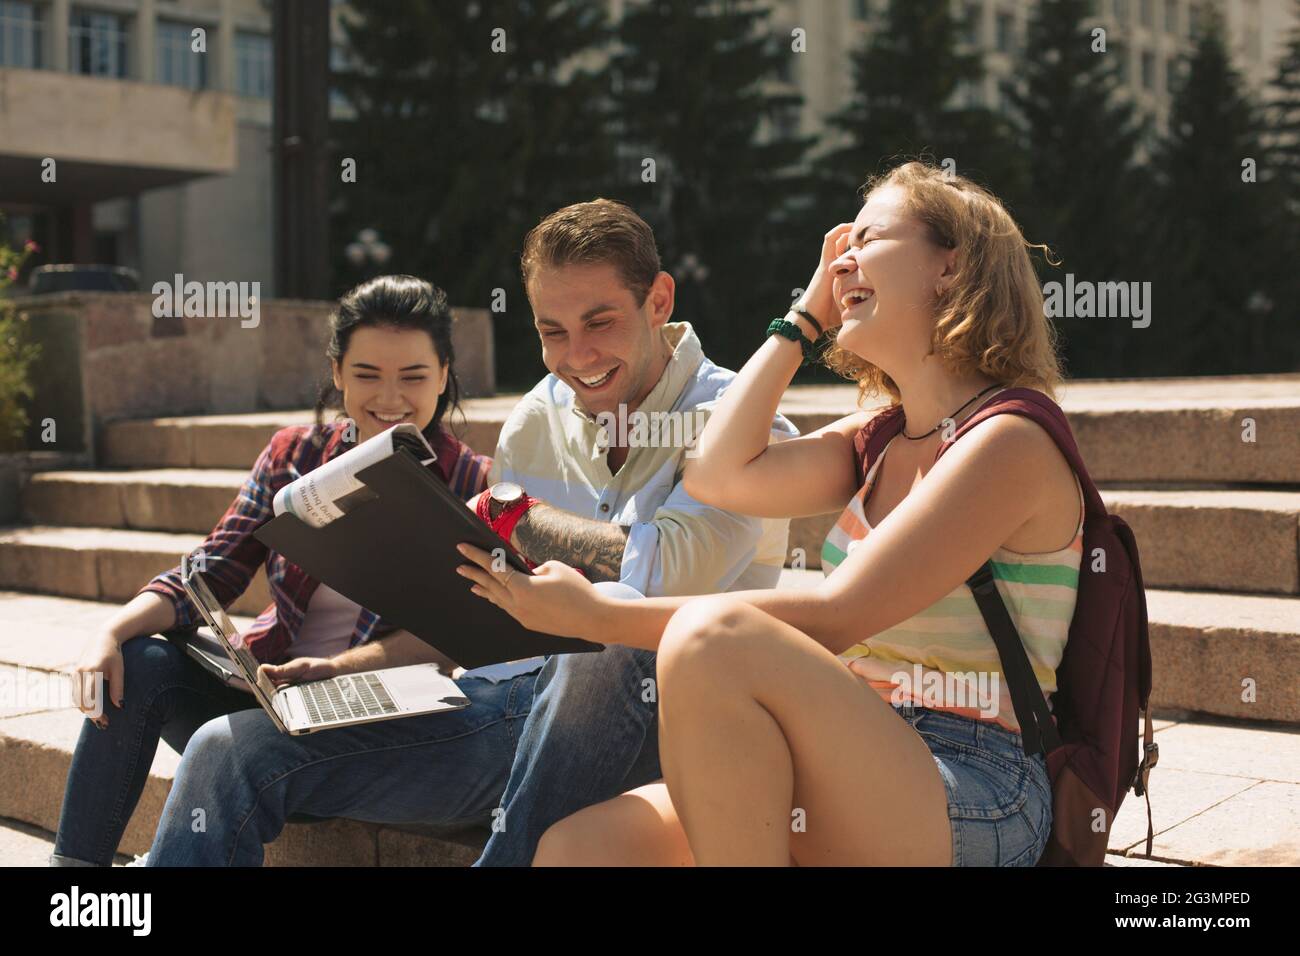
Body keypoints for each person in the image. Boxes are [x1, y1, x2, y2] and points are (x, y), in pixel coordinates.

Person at [456, 162, 1081, 866]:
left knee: (711, 636)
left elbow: (841, 614)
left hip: (978, 783)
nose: (841, 259)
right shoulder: (877, 438)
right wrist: (804, 317)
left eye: (866, 239)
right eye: (836, 249)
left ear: (949, 265)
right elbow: (719, 473)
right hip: (857, 739)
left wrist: (597, 619)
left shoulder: (1009, 440)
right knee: (579, 849)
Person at [143, 199, 795, 866]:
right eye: (553, 331)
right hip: (497, 710)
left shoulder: (741, 424)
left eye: (600, 322)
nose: (577, 356)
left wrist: (513, 514)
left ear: (658, 301)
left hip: (657, 726)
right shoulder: (538, 416)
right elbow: (485, 600)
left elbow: (666, 574)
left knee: (612, 628)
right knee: (225, 749)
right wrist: (344, 669)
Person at [50, 275, 491, 867]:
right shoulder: (295, 456)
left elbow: (449, 637)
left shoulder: (471, 485)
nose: (391, 397)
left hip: (367, 726)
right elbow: (211, 570)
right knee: (135, 662)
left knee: (228, 745)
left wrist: (335, 671)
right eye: (367, 375)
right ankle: (74, 878)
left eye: (413, 376)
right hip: (264, 692)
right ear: (337, 373)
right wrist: (107, 634)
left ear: (444, 375)